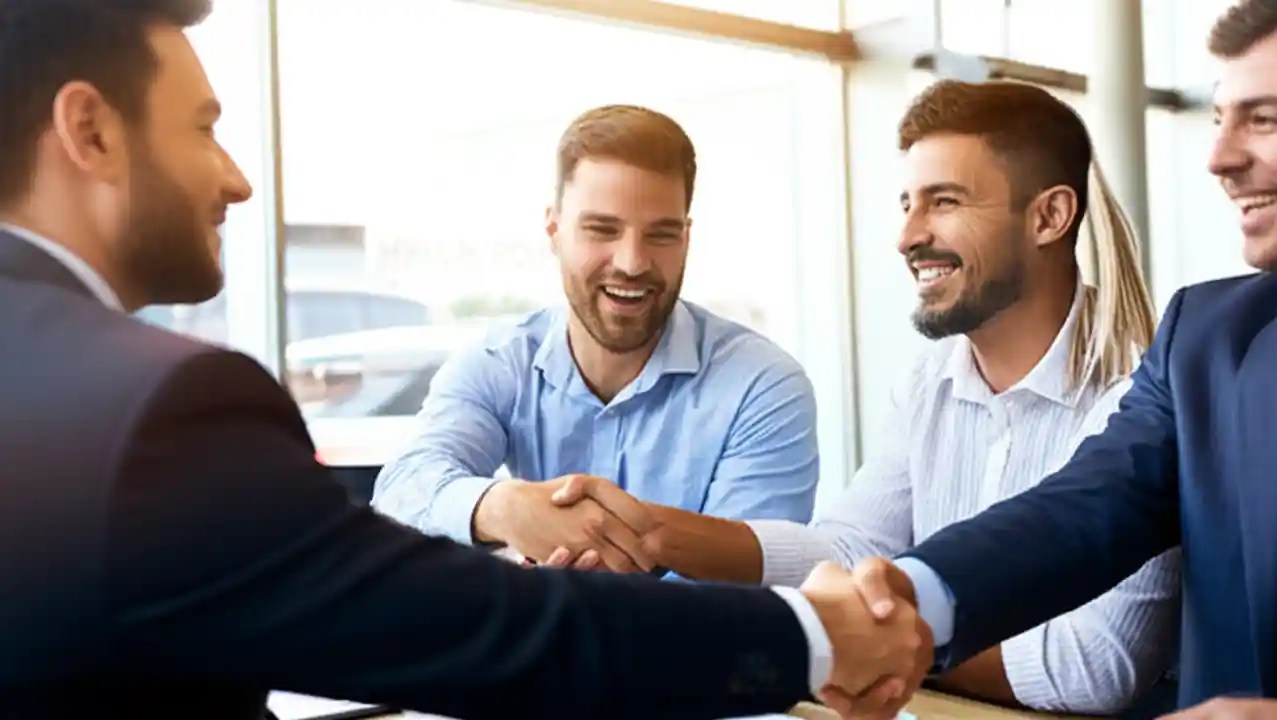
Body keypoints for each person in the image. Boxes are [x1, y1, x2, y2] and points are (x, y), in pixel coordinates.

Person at [0, 1, 926, 717]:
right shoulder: (167, 404)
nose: (238, 176)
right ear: (89, 131)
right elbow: (455, 618)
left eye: (662, 233)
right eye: (203, 126)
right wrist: (812, 633)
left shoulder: (759, 378)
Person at [542, 80, 1182, 714]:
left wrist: (854, 640)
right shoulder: (930, 379)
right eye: (907, 203)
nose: (907, 236)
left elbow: (1092, 666)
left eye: (945, 201)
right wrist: (653, 533)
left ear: (1048, 216)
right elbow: (848, 551)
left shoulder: (1143, 394)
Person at [844, 1, 1277, 717]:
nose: (1220, 158)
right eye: (1218, 119)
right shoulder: (1205, 339)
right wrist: (902, 603)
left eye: (1264, 118)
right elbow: (1078, 514)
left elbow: (1095, 666)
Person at [371, 104, 819, 573]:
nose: (631, 262)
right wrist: (507, 508)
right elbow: (403, 487)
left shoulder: (763, 385)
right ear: (554, 230)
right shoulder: (500, 362)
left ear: (686, 238)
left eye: (661, 235)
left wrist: (593, 569)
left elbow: (751, 586)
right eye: (602, 229)